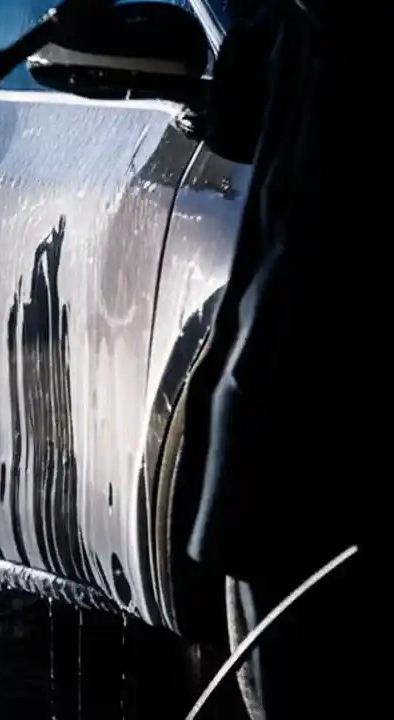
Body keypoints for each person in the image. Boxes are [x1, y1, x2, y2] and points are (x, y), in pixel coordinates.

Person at [183, 0, 383, 715]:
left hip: (303, 408)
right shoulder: (294, 29)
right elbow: (234, 122)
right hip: (289, 414)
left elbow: (232, 123)